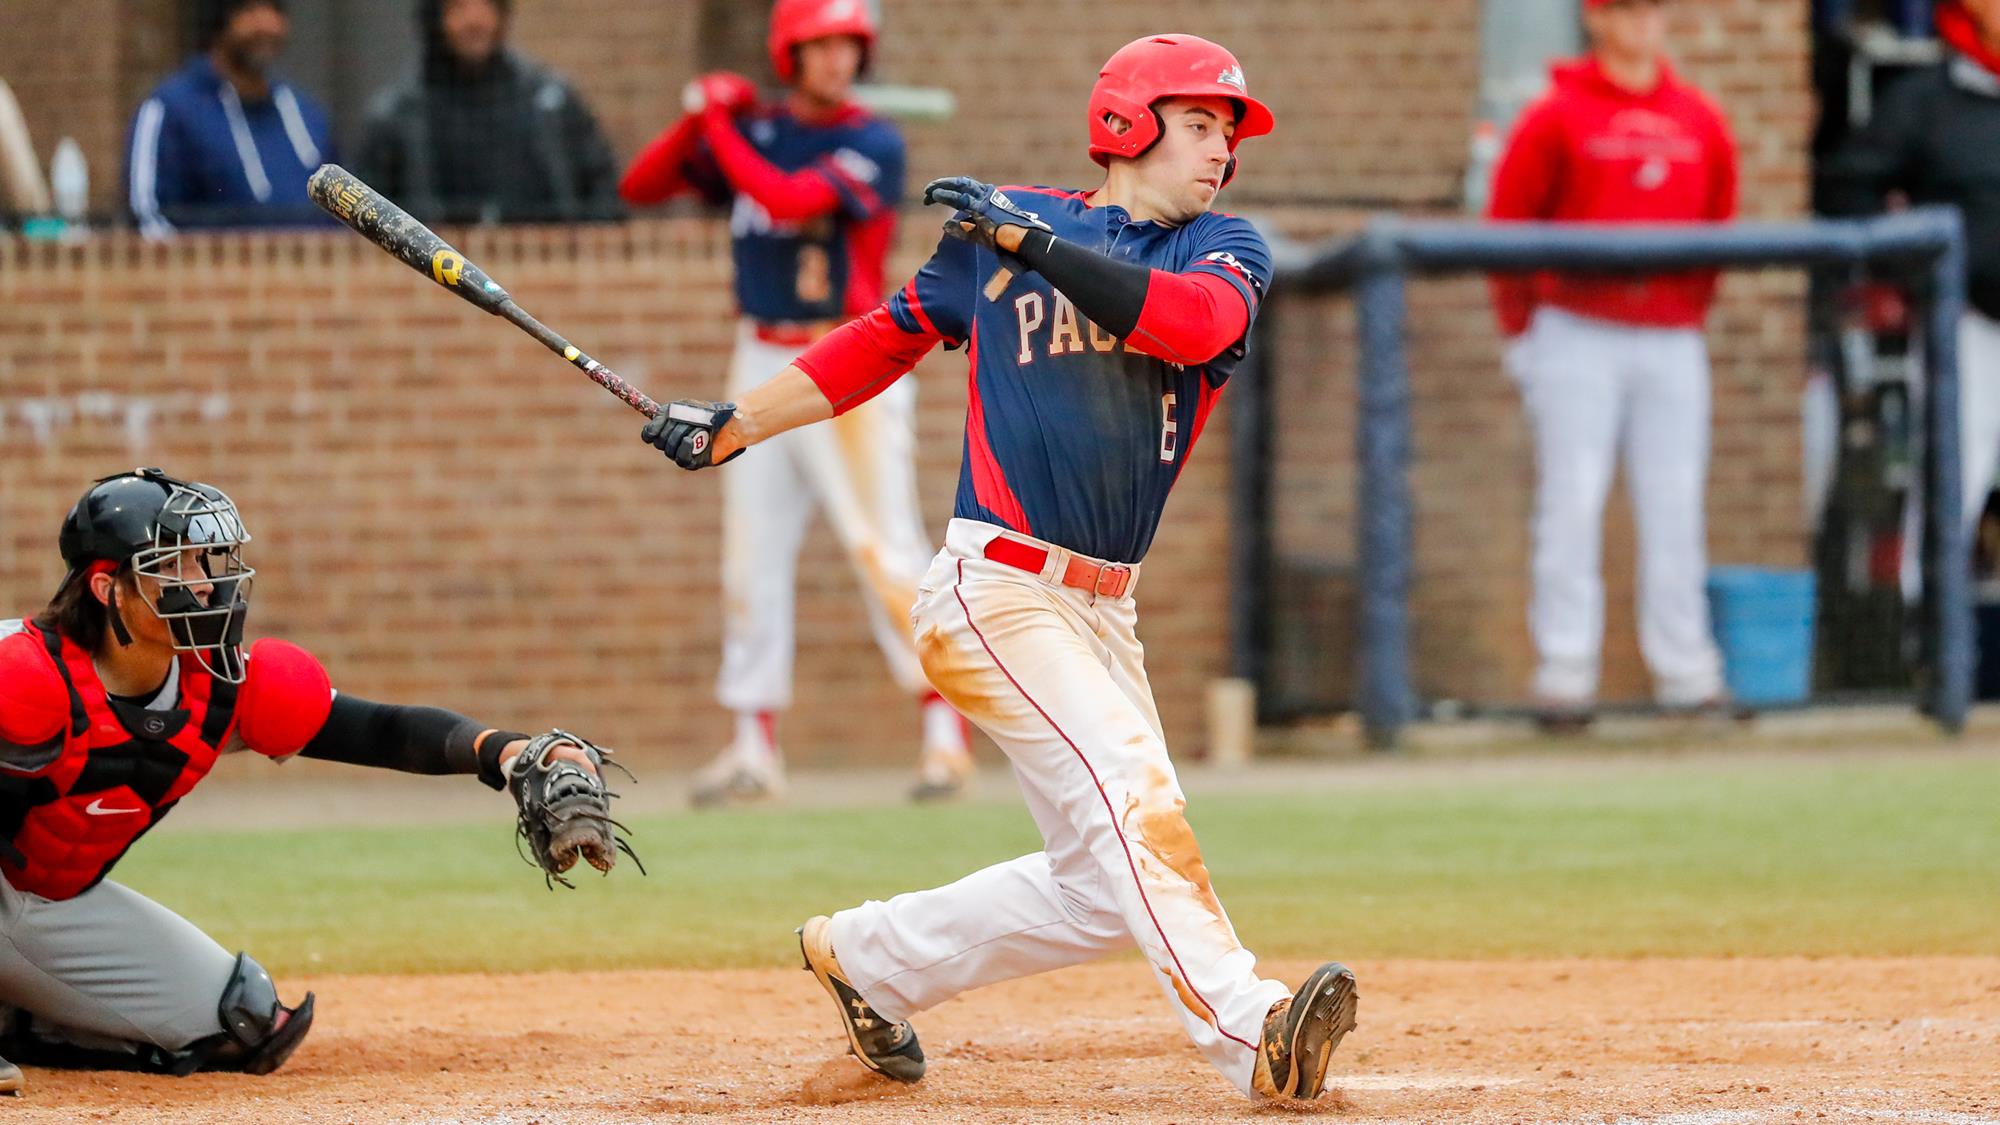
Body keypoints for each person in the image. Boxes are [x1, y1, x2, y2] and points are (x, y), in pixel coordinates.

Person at [638, 33, 1358, 1102]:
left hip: (1105, 609)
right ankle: (1251, 1031)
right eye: (1198, 123)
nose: (1219, 151)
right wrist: (740, 422)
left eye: (1225, 133)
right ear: (1126, 122)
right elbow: (884, 335)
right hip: (995, 588)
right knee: (1132, 793)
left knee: (1097, 888)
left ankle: (867, 957)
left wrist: (1030, 243)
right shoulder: (1000, 235)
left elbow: (1188, 324)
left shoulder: (1223, 248)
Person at [0, 469, 630, 1094]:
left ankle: (22, 1019)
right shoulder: (25, 676)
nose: (208, 582)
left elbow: (379, 730)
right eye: (178, 566)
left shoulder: (215, 683)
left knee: (242, 1020)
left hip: (47, 900)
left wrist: (505, 753)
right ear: (108, 587)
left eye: (208, 561)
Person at [619, 0, 972, 806]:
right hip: (759, 354)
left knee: (882, 548)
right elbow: (640, 185)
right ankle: (753, 747)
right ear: (790, 52)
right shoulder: (758, 130)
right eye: (819, 46)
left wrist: (723, 127)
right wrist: (703, 118)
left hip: (846, 361)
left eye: (848, 46)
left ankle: (944, 735)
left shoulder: (871, 140)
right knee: (750, 553)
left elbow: (783, 199)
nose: (837, 61)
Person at [1485, 0, 1738, 730]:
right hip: (1576, 329)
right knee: (1571, 500)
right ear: (1597, 18)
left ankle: (1689, 673)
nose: (1643, 23)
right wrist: (1522, 335)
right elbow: (1508, 222)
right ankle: (1565, 675)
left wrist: (1685, 311)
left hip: (1670, 335)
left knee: (1676, 502)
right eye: (1628, 9)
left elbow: (1720, 221)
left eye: (1654, 9)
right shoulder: (1556, 112)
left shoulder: (1699, 117)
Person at [1823, 0, 2000, 543]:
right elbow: (1848, 186)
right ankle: (1925, 628)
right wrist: (1910, 275)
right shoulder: (1926, 100)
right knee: (1952, 484)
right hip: (1967, 323)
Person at [356, 0, 621, 224]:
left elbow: (604, 196)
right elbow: (364, 217)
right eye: (459, 6)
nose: (474, 19)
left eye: (485, 4)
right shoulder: (398, 115)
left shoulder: (549, 102)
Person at [124, 0, 334, 236]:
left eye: (274, 10)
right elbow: (149, 220)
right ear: (221, 20)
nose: (266, 24)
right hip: (206, 270)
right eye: (249, 10)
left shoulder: (307, 115)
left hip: (311, 271)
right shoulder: (170, 110)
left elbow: (339, 215)